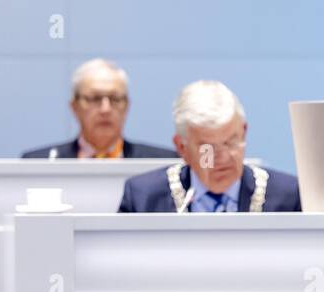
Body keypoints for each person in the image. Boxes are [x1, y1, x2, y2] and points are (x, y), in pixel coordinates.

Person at [117, 80, 302, 213]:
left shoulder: (287, 197)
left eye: (231, 142)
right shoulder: (144, 199)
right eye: (208, 148)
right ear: (182, 147)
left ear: (244, 132)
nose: (222, 157)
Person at [23, 58, 171, 159]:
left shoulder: (163, 165)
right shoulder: (39, 164)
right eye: (94, 98)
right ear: (74, 107)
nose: (105, 109)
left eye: (115, 99)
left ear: (127, 106)